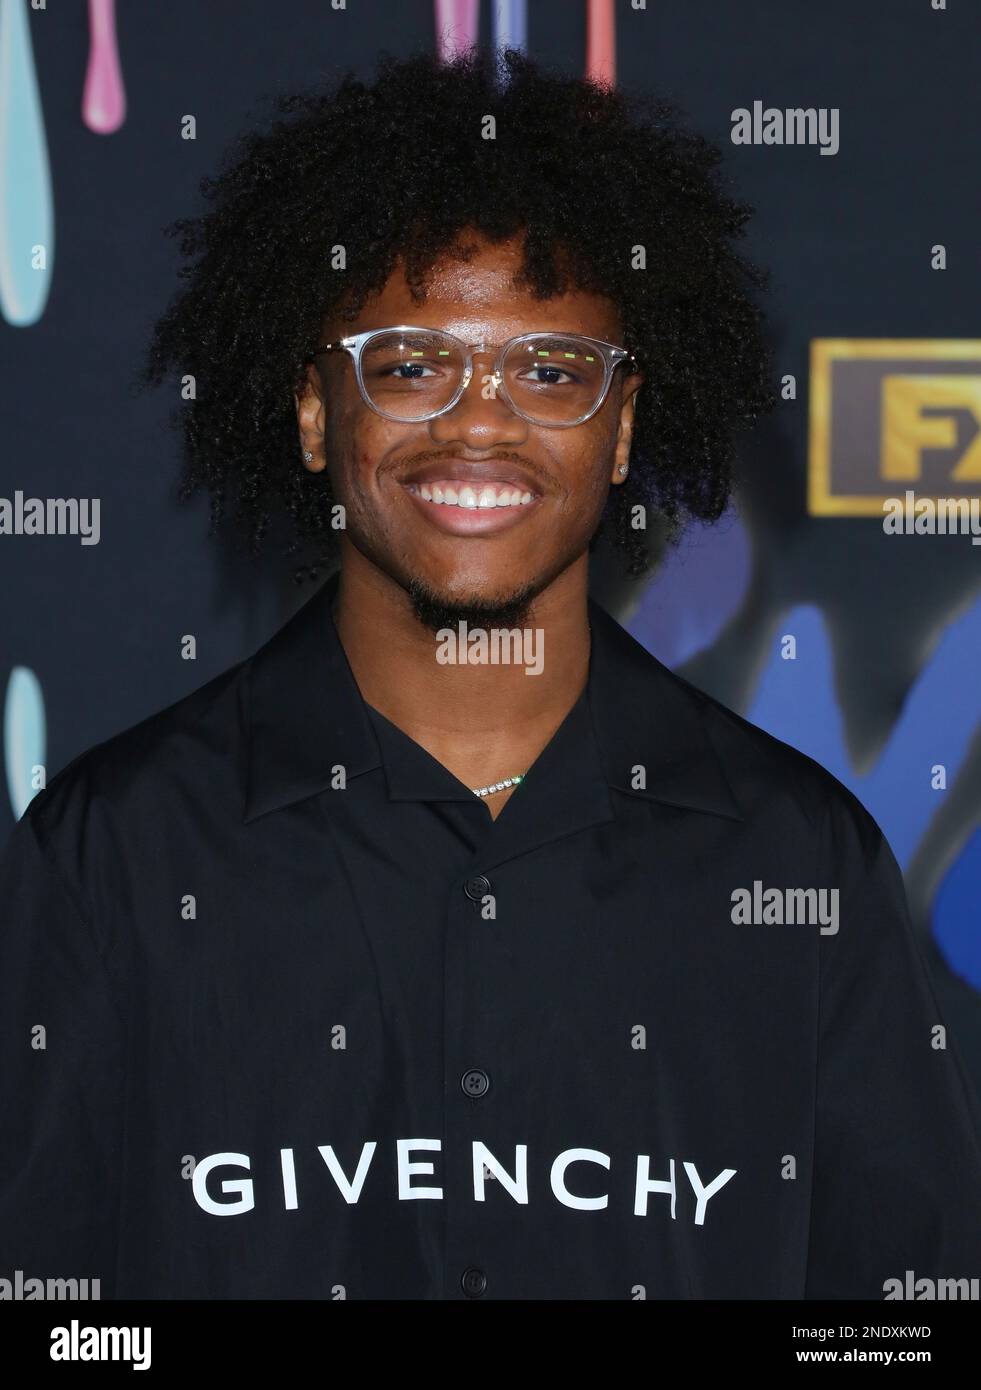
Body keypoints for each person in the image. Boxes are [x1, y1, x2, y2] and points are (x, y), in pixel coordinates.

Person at [1, 47, 979, 1302]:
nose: (478, 421)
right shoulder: (114, 858)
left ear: (623, 429)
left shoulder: (796, 862)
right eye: (410, 364)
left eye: (551, 371)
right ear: (315, 412)